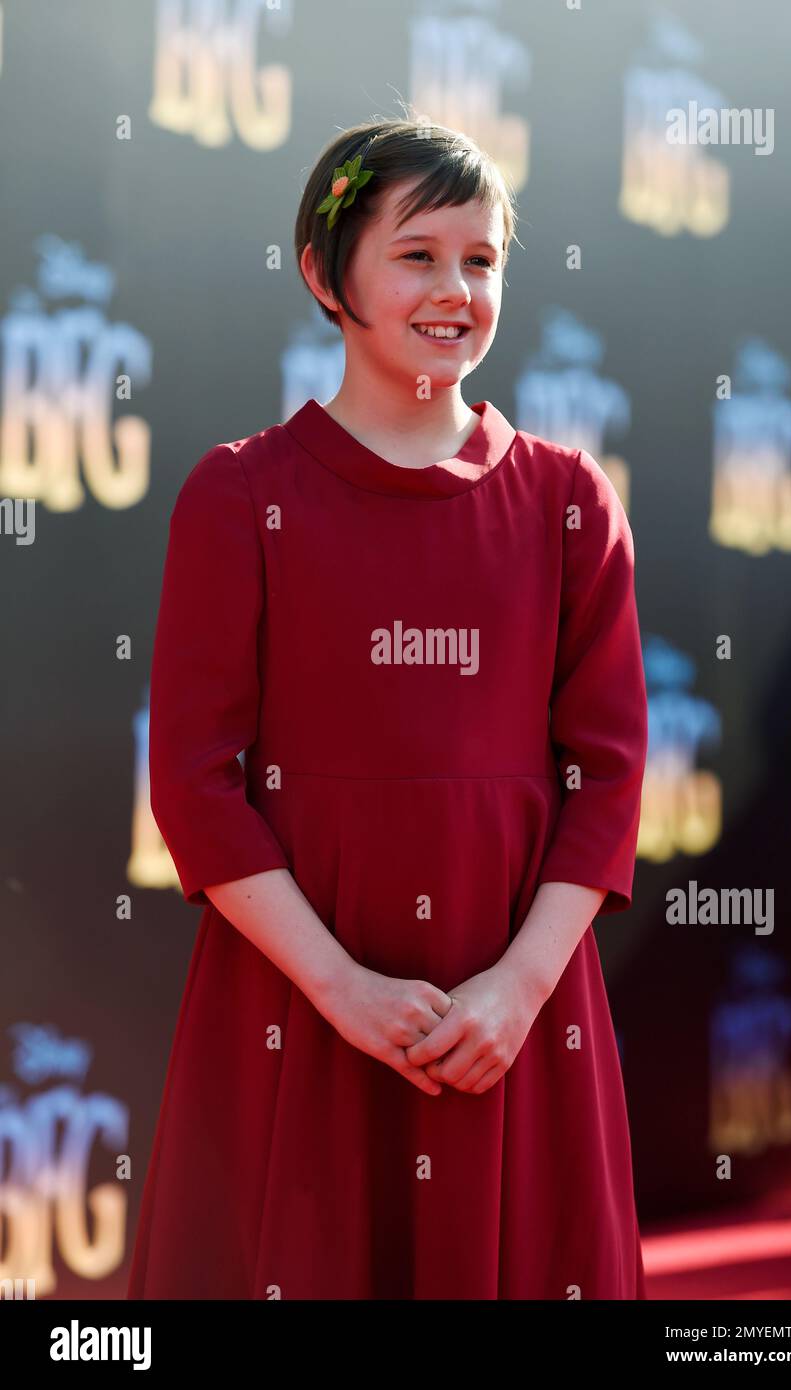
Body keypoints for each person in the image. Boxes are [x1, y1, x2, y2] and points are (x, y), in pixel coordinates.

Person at [126, 116, 649, 1300]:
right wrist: (341, 989)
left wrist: (516, 992)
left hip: (512, 1016)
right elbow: (196, 785)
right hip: (294, 1004)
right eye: (416, 254)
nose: (453, 290)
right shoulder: (238, 494)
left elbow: (608, 776)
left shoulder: (570, 503)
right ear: (325, 272)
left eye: (481, 259)